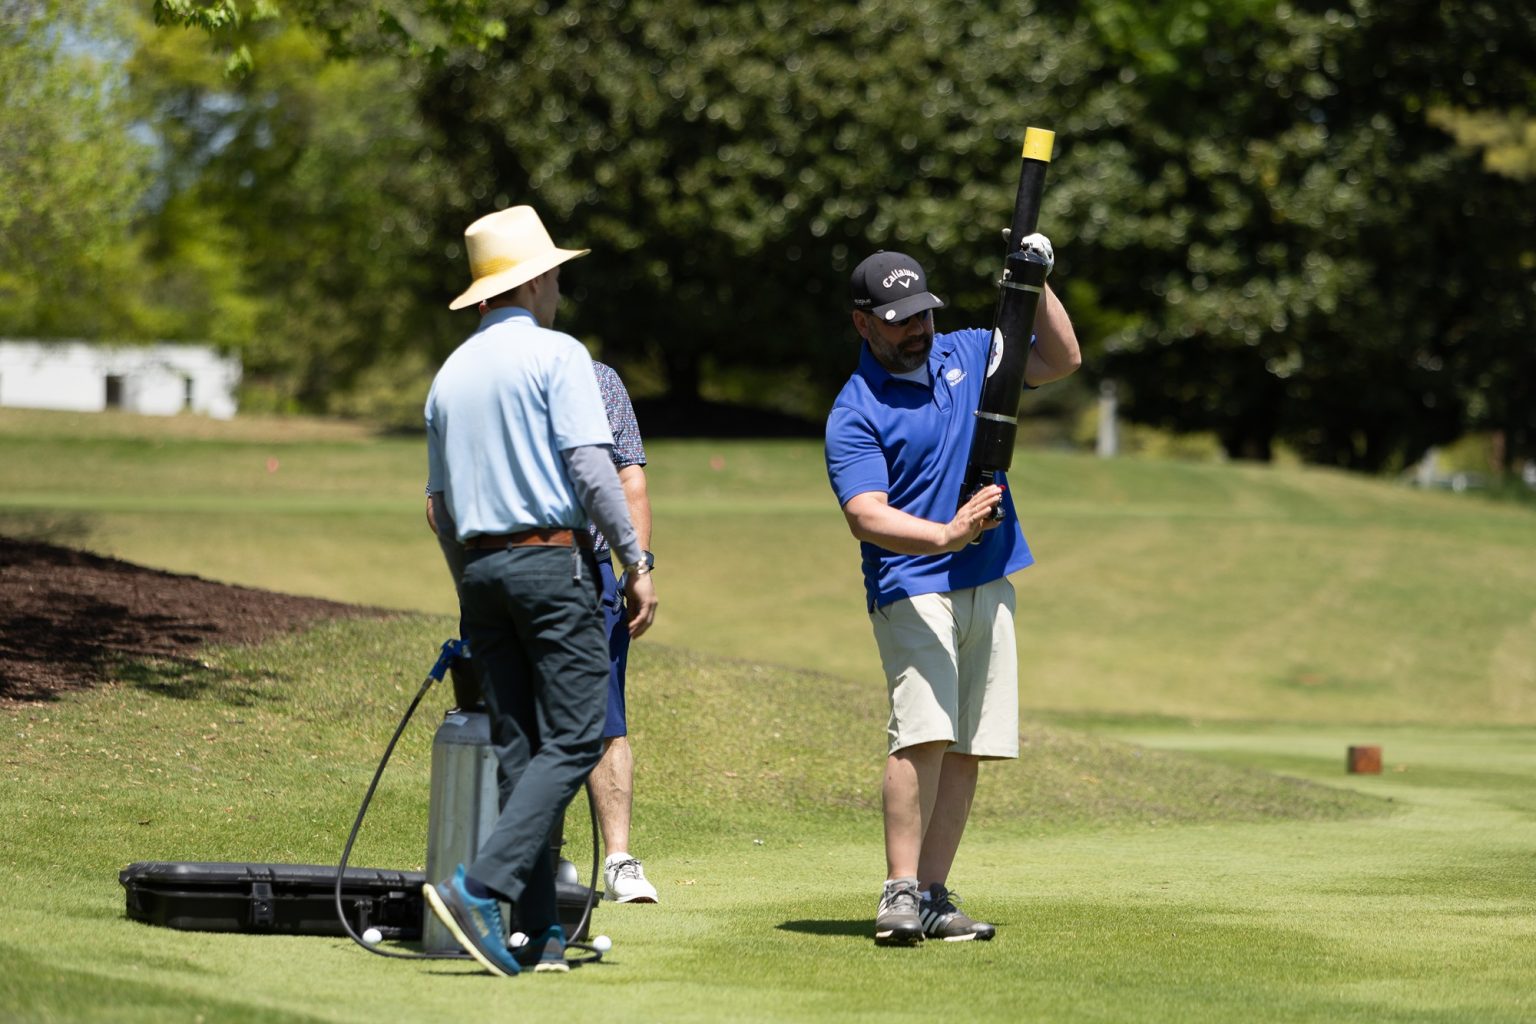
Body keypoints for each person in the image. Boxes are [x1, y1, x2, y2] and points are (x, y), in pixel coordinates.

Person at [422, 205, 658, 977]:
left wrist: (470, 583)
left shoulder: (451, 373)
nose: (560, 284)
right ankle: (478, 886)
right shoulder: (559, 354)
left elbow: (439, 505)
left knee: (523, 747)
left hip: (481, 573)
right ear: (536, 280)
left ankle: (538, 935)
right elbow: (594, 470)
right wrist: (635, 561)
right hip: (549, 564)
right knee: (582, 735)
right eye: (555, 272)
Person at [823, 239, 1080, 946]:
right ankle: (898, 890)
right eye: (900, 319)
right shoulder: (855, 409)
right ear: (863, 323)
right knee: (924, 735)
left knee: (968, 743)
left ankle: (933, 894)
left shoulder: (967, 351)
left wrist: (1036, 281)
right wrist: (946, 533)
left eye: (922, 315)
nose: (917, 330)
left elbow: (1059, 360)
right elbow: (864, 515)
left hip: (986, 573)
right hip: (912, 581)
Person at [427, 360, 660, 905]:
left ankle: (615, 861)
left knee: (601, 720)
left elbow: (628, 478)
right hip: (532, 568)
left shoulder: (595, 378)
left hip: (581, 567)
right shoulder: (469, 378)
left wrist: (635, 564)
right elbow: (440, 500)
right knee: (525, 725)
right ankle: (521, 868)